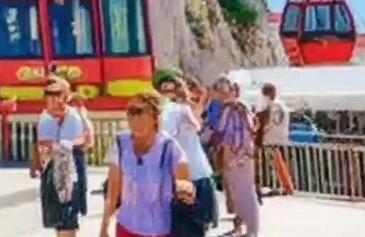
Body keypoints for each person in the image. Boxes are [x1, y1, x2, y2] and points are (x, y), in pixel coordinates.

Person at [100, 90, 193, 237]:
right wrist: (104, 227)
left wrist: (184, 187)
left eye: (139, 112)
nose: (133, 117)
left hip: (160, 229)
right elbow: (113, 189)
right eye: (130, 112)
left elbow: (184, 184)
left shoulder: (169, 147)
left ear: (155, 116)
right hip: (127, 226)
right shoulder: (120, 143)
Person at [157, 76, 215, 236]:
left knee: (181, 227)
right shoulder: (185, 110)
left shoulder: (172, 110)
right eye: (164, 91)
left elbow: (164, 137)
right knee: (196, 226)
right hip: (196, 172)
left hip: (184, 175)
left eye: (169, 91)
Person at [33, 78, 86, 237]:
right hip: (50, 169)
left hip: (70, 168)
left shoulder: (74, 116)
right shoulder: (44, 116)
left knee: (67, 219)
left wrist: (64, 145)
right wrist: (35, 163)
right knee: (57, 220)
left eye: (57, 93)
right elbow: (39, 141)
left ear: (66, 95)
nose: (53, 98)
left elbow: (84, 139)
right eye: (48, 93)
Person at [214, 78, 259, 237]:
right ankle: (243, 225)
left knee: (243, 192)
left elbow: (230, 132)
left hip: (236, 153)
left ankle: (251, 229)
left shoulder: (231, 109)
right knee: (240, 191)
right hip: (244, 153)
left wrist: (233, 153)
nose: (219, 94)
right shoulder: (242, 107)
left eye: (221, 90)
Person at [254, 83, 293, 197]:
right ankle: (285, 186)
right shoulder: (281, 105)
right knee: (278, 163)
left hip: (272, 138)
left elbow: (268, 123)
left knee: (277, 163)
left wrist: (261, 133)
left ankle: (286, 186)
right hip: (280, 137)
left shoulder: (272, 106)